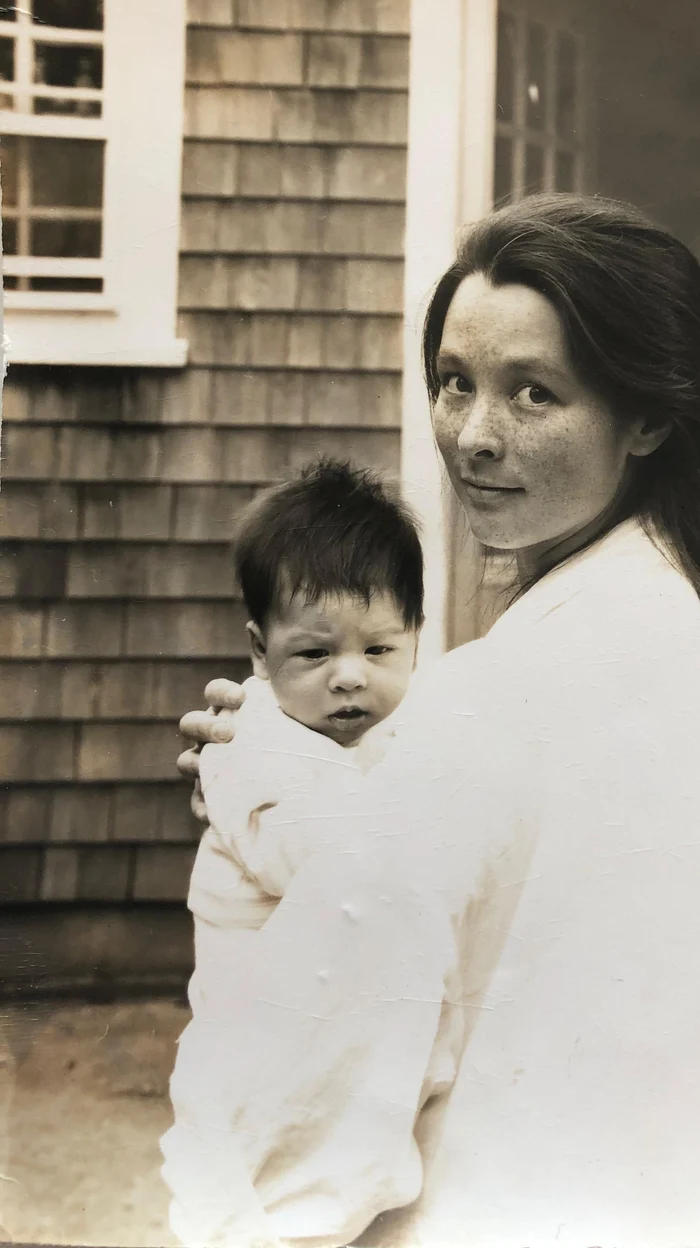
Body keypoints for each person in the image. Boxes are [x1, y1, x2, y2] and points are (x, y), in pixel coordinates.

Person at [174, 194, 700, 1248]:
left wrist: (252, 773)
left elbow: (315, 1093)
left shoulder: (521, 682)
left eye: (534, 394)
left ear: (646, 419)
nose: (474, 435)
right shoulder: (660, 612)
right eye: (454, 382)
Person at [161, 460, 424, 1247]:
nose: (349, 679)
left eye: (380, 650)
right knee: (275, 1169)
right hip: (256, 1013)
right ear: (260, 651)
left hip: (315, 997)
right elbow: (327, 861)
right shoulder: (256, 744)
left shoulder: (386, 736)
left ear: (416, 638)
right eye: (314, 655)